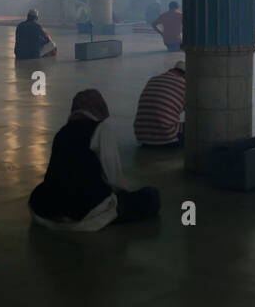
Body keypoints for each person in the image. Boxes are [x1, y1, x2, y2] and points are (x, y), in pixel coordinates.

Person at [29, 89, 161, 231]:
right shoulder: (101, 130)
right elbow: (113, 179)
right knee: (151, 196)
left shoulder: (62, 132)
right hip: (85, 210)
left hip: (48, 209)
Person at [134, 61, 187, 147]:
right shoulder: (184, 85)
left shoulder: (152, 79)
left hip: (142, 137)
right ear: (185, 75)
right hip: (166, 139)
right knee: (196, 126)